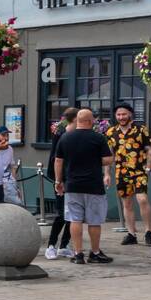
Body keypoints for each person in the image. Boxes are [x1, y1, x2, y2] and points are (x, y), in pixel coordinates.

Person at [53, 108, 115, 265]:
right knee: (94, 221)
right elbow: (108, 160)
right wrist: (94, 159)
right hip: (93, 185)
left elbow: (58, 161)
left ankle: (78, 253)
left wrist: (58, 181)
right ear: (90, 121)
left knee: (75, 219)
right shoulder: (98, 138)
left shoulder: (65, 138)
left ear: (77, 120)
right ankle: (94, 252)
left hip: (73, 185)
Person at [107, 103, 151, 246]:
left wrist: (148, 168)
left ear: (130, 114)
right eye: (119, 115)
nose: (121, 117)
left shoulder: (141, 130)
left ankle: (148, 232)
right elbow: (110, 155)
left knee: (142, 199)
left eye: (124, 114)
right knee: (127, 203)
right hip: (121, 173)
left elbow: (149, 150)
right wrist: (107, 174)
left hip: (139, 171)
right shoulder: (111, 132)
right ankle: (131, 234)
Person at [45, 107, 78, 260]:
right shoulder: (61, 135)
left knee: (73, 216)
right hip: (63, 178)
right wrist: (59, 180)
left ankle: (64, 245)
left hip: (75, 178)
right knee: (61, 213)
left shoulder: (76, 134)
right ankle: (51, 245)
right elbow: (57, 159)